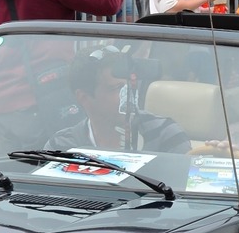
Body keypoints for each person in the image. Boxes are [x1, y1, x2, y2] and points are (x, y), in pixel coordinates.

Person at [47, 51, 207, 156]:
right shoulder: (62, 146)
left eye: (130, 86)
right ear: (83, 97)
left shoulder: (164, 133)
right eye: (116, 88)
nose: (128, 95)